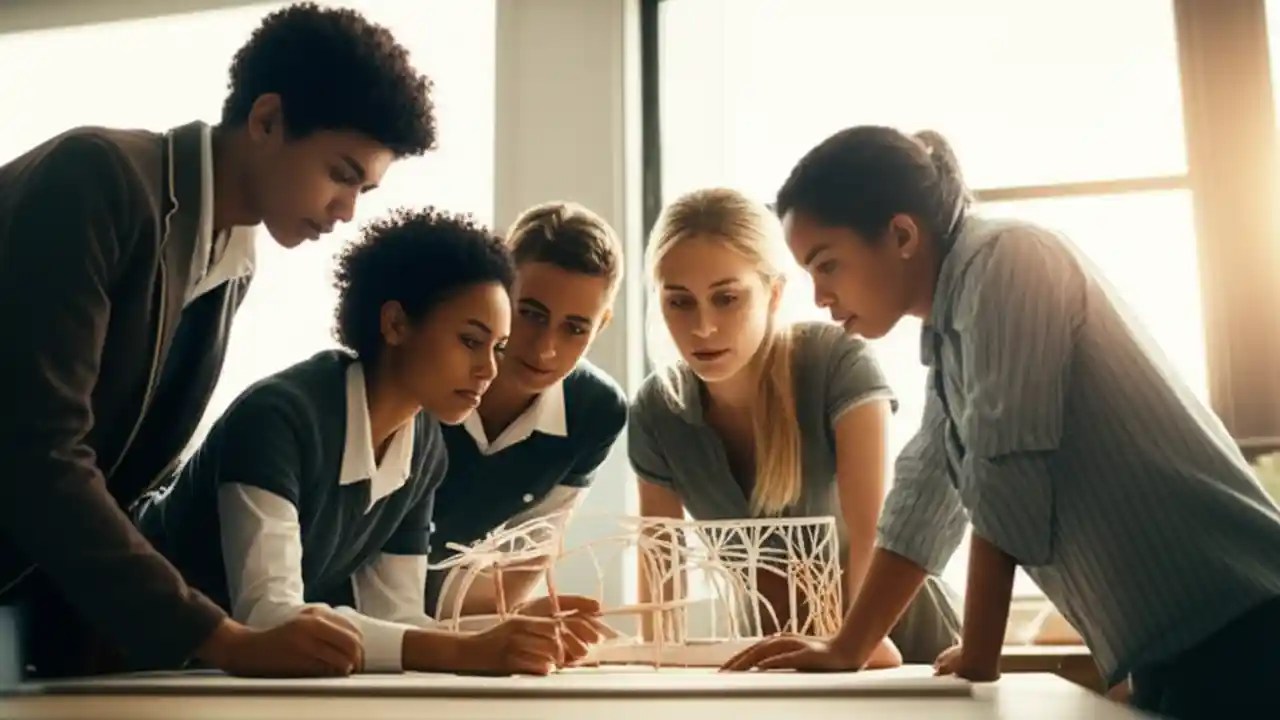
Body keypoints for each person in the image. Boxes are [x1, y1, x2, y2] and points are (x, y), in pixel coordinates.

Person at [720, 126, 1280, 720]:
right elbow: (925, 490)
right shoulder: (948, 331)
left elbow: (1002, 470)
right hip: (1175, 648)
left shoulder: (1009, 260)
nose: (820, 296)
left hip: (1247, 624)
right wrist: (846, 647)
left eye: (827, 265)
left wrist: (983, 655)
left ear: (903, 234)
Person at [0, 3, 437, 677]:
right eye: (342, 173)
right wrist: (225, 637)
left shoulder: (231, 259)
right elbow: (38, 454)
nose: (348, 210)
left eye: (365, 190)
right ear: (267, 121)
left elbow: (124, 477)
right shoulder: (99, 178)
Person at [135, 208, 598, 676]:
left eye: (497, 347)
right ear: (396, 324)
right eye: (470, 341)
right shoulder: (279, 418)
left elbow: (396, 614)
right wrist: (468, 651)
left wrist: (510, 637)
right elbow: (269, 615)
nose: (490, 370)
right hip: (120, 653)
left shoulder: (424, 446)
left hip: (208, 677)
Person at [628, 187, 960, 664]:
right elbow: (661, 575)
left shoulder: (835, 365)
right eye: (680, 302)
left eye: (727, 298)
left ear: (774, 293)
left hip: (903, 644)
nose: (703, 327)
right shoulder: (657, 411)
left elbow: (874, 530)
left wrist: (856, 645)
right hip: (772, 657)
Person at [427, 202, 628, 621]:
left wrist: (504, 624)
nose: (545, 349)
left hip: (458, 626)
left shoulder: (596, 411)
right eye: (531, 314)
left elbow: (530, 552)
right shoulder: (428, 375)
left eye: (575, 328)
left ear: (602, 324)